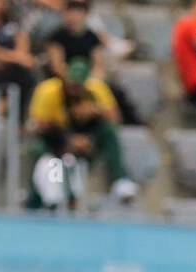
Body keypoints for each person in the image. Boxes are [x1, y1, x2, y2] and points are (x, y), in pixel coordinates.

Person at [28, 57, 137, 202]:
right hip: (55, 142)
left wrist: (95, 111)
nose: (74, 89)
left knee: (108, 133)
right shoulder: (49, 91)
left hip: (85, 141)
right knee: (48, 163)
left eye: (78, 86)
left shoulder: (95, 90)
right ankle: (41, 201)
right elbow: (38, 126)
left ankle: (120, 180)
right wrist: (69, 140)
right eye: (72, 85)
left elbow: (115, 119)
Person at [47, 0, 105, 81]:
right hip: (63, 81)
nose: (73, 16)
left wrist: (92, 79)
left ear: (85, 14)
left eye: (78, 12)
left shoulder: (92, 37)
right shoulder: (57, 37)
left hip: (88, 80)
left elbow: (99, 65)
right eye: (70, 11)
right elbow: (57, 66)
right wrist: (74, 79)